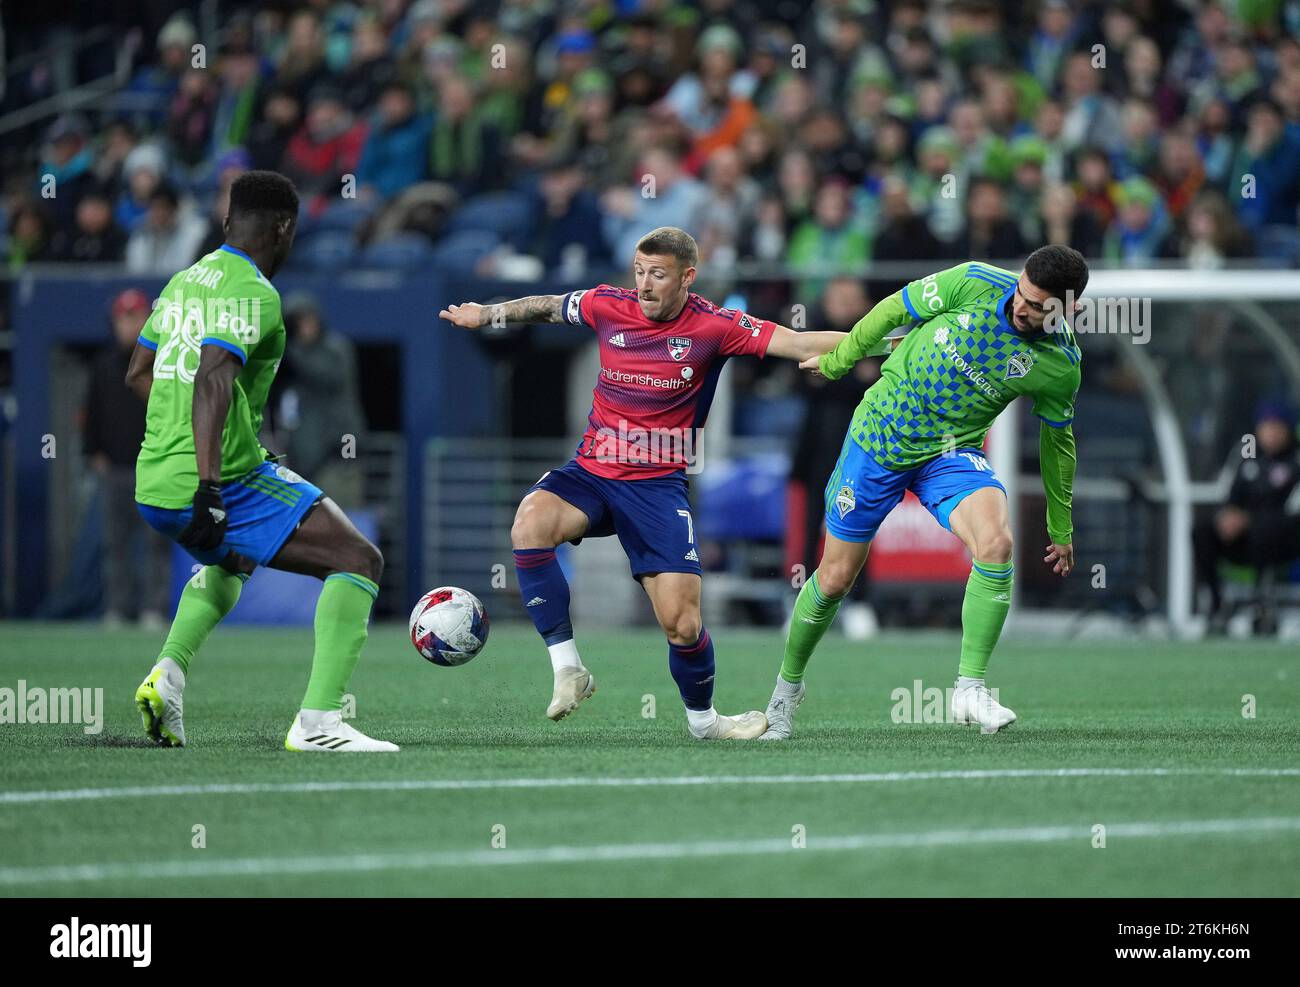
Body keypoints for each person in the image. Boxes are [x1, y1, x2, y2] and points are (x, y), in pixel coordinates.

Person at [439, 226, 847, 740]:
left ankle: (705, 722)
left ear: (687, 277)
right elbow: (546, 306)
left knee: (682, 624)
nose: (645, 286)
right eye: (639, 273)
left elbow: (798, 340)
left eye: (657, 275)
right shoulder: (609, 305)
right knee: (530, 523)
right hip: (593, 471)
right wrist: (486, 314)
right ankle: (569, 668)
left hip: (657, 488)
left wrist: (884, 342)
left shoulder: (716, 326)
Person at [760, 245, 1088, 739]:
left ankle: (970, 687)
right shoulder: (974, 281)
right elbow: (895, 309)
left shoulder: (1060, 363)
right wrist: (842, 360)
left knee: (996, 544)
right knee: (833, 580)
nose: (1023, 308)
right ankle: (785, 693)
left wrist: (1060, 527)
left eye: (1040, 306)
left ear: (1070, 310)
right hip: (881, 434)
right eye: (1023, 294)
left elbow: (1057, 442)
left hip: (949, 453)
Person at [125, 170, 394, 753]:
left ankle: (167, 677)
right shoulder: (256, 291)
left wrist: (191, 440)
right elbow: (215, 378)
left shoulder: (183, 281)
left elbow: (138, 374)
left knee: (233, 562)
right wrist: (208, 485)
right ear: (285, 229)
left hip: (152, 483)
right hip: (214, 481)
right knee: (359, 558)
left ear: (226, 223)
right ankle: (319, 723)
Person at [84, 289, 172, 628]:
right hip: (116, 468)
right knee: (116, 544)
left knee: (156, 544)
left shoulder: (162, 361)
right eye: (123, 317)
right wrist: (92, 452)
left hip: (154, 467)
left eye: (136, 317)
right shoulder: (103, 365)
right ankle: (118, 608)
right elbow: (90, 414)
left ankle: (154, 608)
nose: (129, 324)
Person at [1193, 400, 1300, 635]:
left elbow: (1292, 511)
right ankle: (1216, 602)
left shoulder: (1296, 460)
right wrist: (1228, 516)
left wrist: (1249, 519)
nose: (1270, 433)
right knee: (1201, 531)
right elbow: (1233, 495)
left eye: (1276, 426)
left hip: (1285, 539)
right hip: (1244, 538)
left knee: (1266, 532)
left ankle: (1262, 603)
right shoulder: (1247, 453)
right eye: (1265, 426)